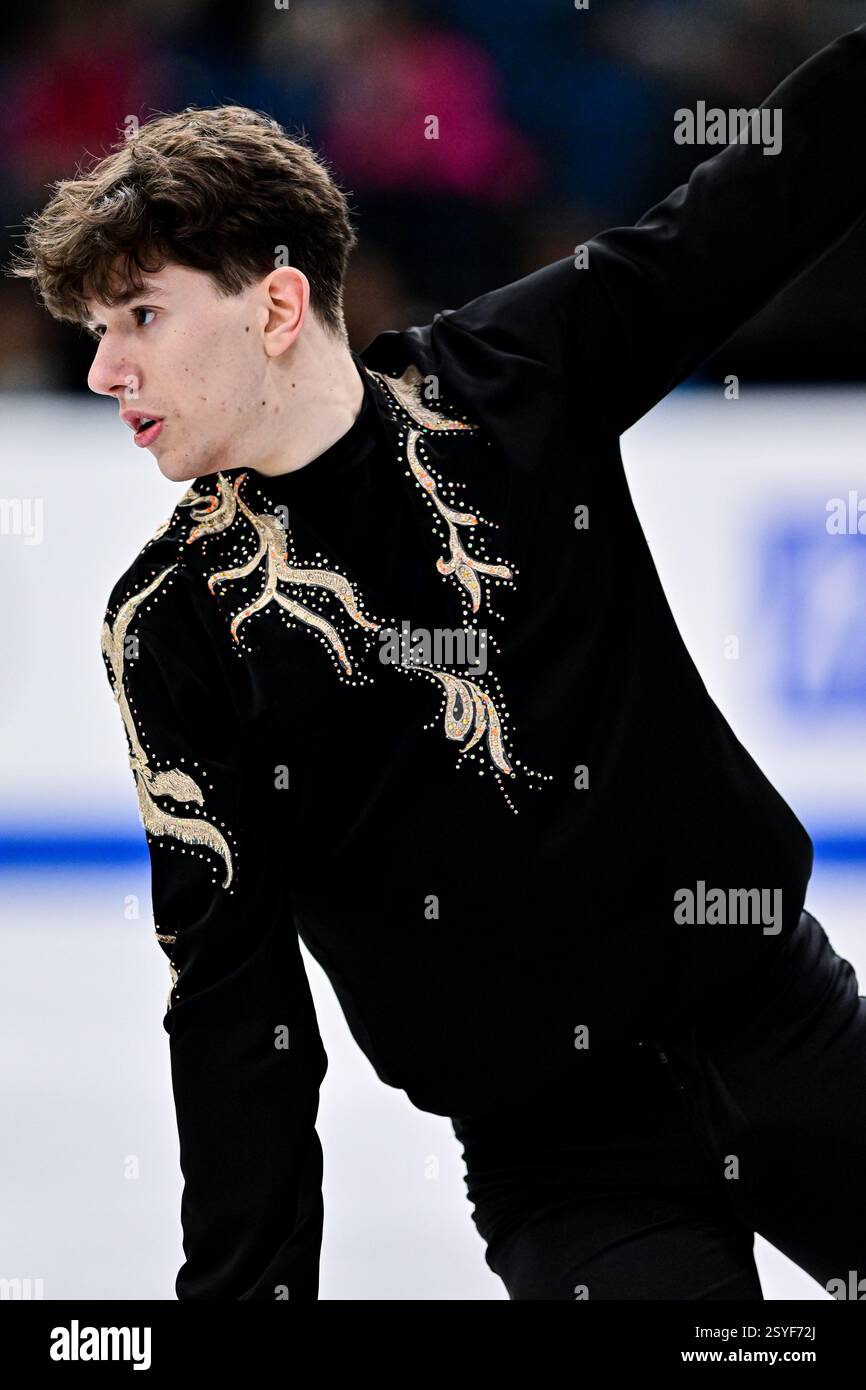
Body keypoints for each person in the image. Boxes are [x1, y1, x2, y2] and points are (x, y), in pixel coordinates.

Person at [8, 22, 866, 1300]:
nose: (102, 369)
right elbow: (239, 1013)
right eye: (91, 327)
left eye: (138, 315)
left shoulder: (511, 375)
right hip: (568, 1171)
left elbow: (752, 199)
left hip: (785, 1040)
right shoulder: (175, 627)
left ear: (278, 304)